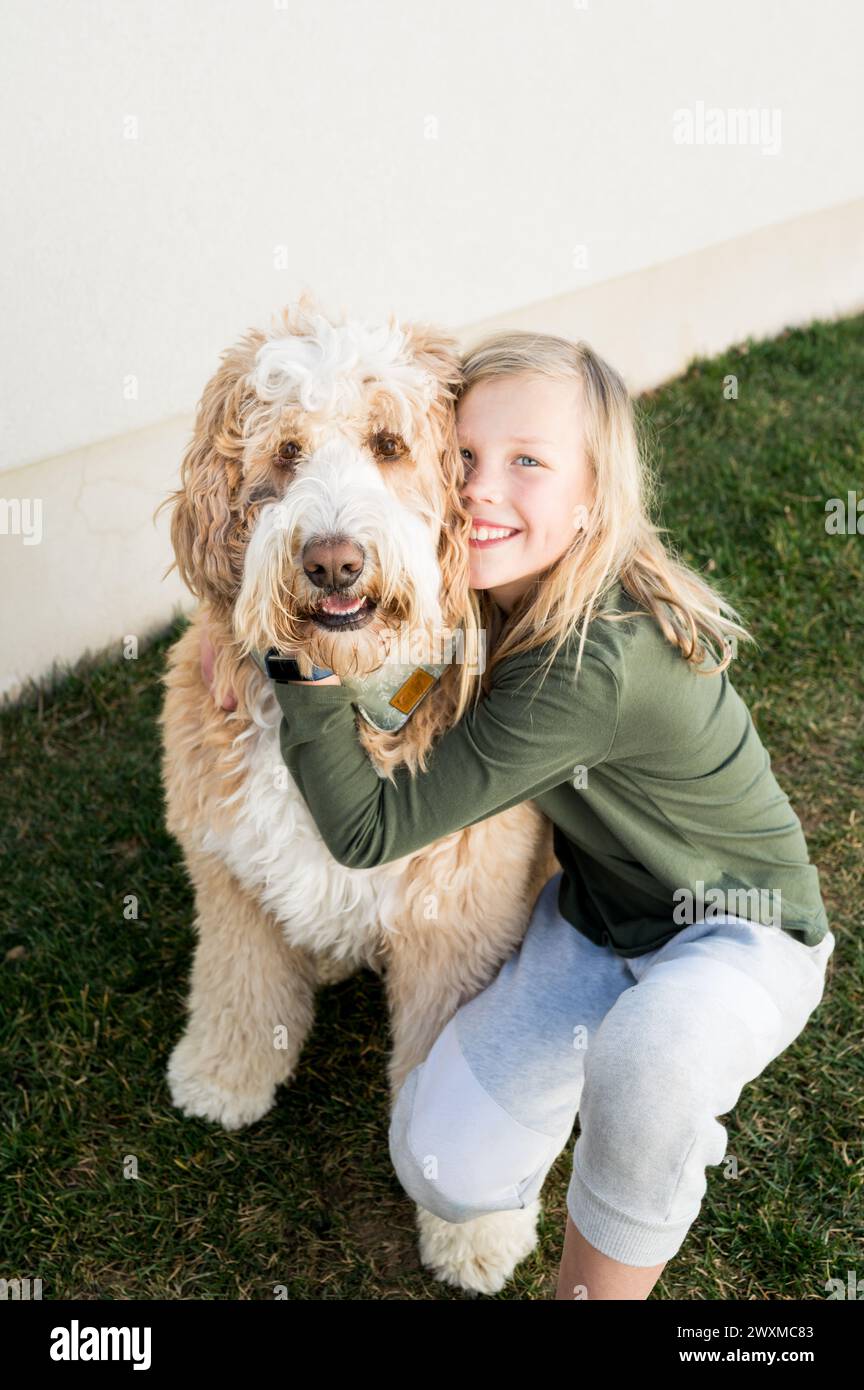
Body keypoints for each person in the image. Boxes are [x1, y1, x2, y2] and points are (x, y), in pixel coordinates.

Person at [201, 332, 834, 1300]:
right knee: (446, 1169)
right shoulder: (488, 595)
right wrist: (230, 629)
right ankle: (573, 1080)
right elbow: (402, 608)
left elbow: (368, 831)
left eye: (528, 463)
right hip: (588, 918)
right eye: (463, 460)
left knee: (653, 1058)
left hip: (736, 928)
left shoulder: (594, 663)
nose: (482, 490)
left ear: (593, 495)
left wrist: (296, 665)